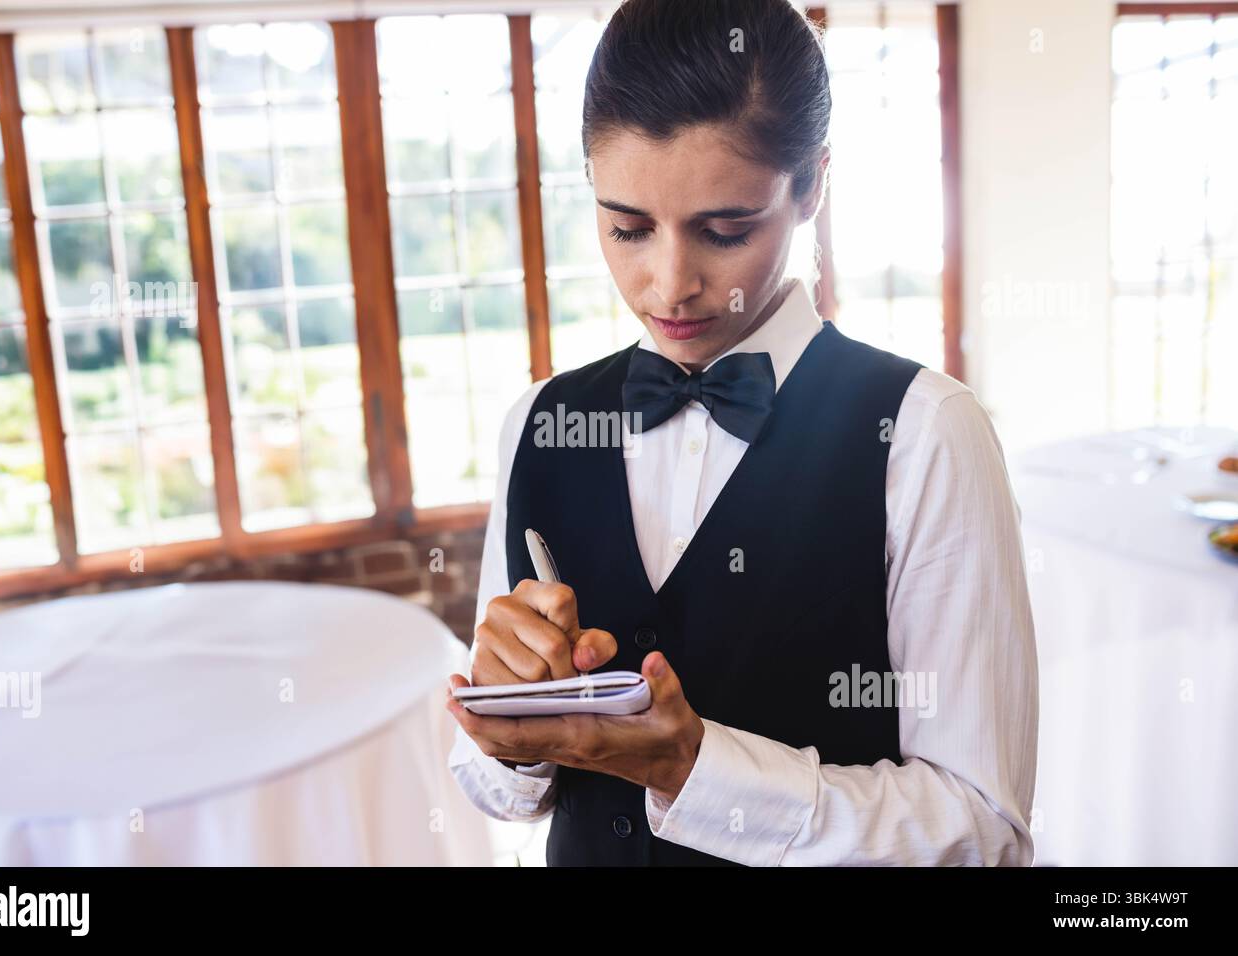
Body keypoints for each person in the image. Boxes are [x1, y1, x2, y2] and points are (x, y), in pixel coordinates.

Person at [445, 0, 1038, 866]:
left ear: (812, 186)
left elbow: (984, 830)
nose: (671, 284)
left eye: (724, 230)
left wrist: (697, 768)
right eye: (627, 228)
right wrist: (510, 728)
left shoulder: (927, 435)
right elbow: (497, 789)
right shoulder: (537, 423)